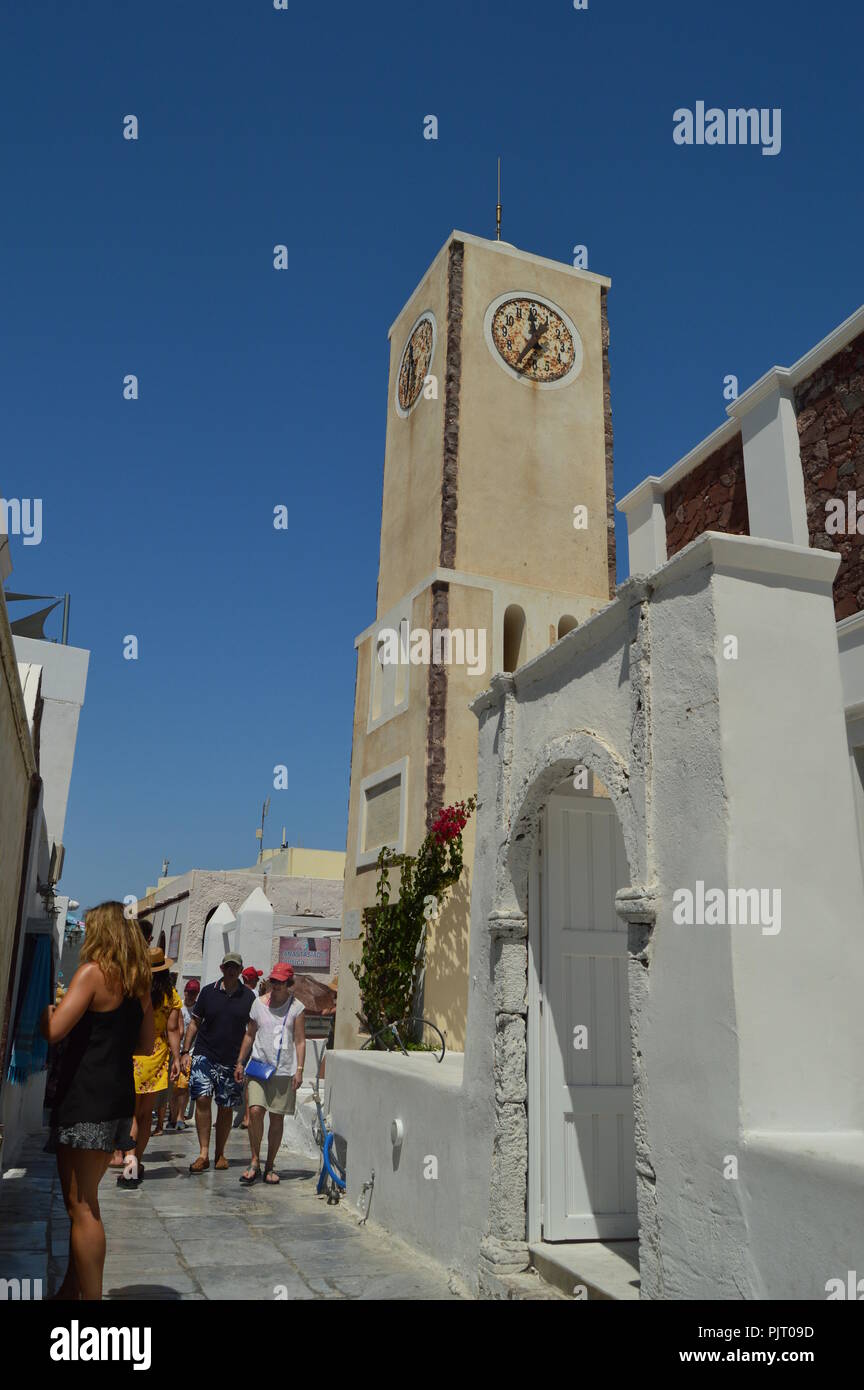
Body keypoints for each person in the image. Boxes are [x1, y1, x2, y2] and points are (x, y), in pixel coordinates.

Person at [39, 901, 154, 1300]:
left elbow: (54, 1030)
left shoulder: (92, 974)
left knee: (83, 1206)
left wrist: (43, 1006)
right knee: (81, 1203)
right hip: (114, 1101)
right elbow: (145, 1045)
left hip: (84, 1098)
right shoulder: (139, 987)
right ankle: (71, 1290)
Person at [181, 953, 254, 1173]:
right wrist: (186, 1051)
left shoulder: (248, 997)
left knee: (225, 1106)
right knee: (202, 1098)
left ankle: (220, 1152)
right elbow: (194, 1023)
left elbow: (251, 1030)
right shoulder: (207, 992)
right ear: (222, 968)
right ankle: (203, 1152)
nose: (231, 971)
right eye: (228, 967)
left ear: (240, 971)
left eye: (235, 967)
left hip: (231, 1059)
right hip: (205, 1054)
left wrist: (242, 1060)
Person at [235, 963, 306, 1185]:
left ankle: (270, 1165)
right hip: (258, 1067)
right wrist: (239, 1062)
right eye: (273, 981)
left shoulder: (297, 1008)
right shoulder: (258, 1004)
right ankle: (254, 1159)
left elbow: (300, 1040)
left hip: (283, 1070)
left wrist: (300, 1069)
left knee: (276, 1118)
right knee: (255, 1111)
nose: (276, 986)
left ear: (289, 984)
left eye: (280, 983)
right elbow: (249, 1034)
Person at [117, 948, 182, 1187]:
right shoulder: (171, 995)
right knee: (145, 1116)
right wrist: (176, 1058)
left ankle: (129, 1166)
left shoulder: (135, 991)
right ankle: (137, 1163)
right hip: (158, 1055)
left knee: (132, 1114)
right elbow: (173, 1029)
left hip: (134, 1054)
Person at [166, 979, 198, 1130]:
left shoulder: (198, 1009)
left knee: (183, 1086)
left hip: (189, 1052)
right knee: (173, 1086)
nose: (190, 995)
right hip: (175, 1050)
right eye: (188, 992)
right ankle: (172, 1115)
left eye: (193, 993)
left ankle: (180, 1116)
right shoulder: (179, 1006)